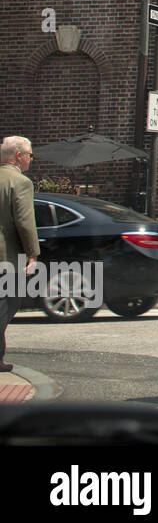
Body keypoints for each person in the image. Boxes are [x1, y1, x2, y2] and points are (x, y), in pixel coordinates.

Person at [0, 136, 40, 372]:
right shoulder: (20, 182)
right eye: (29, 155)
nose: (30, 159)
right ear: (19, 156)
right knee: (6, 306)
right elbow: (25, 222)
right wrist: (32, 254)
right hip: (6, 258)